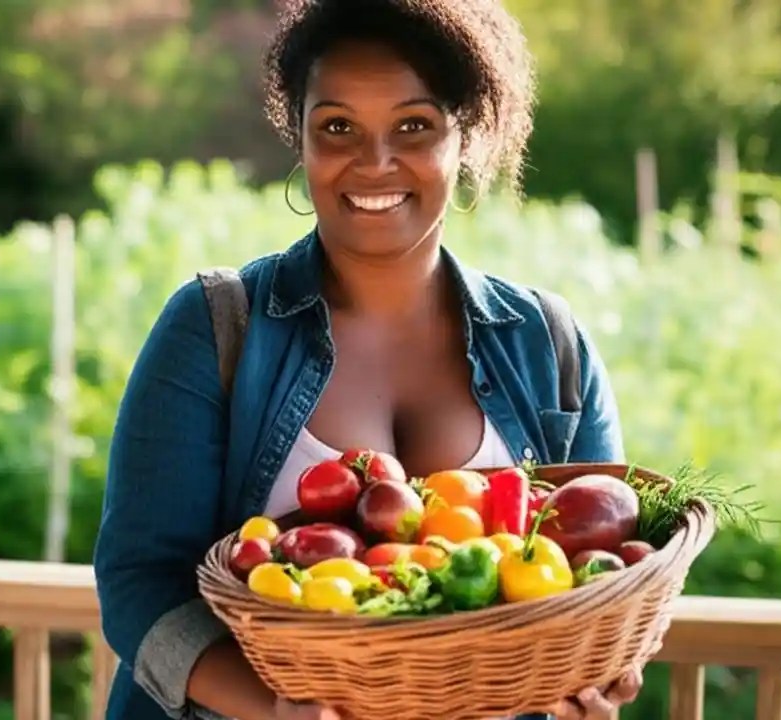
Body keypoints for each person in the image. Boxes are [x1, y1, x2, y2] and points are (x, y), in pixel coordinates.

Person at [92, 1, 644, 718]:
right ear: (301, 138)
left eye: (413, 125)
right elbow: (141, 584)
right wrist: (274, 710)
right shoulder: (216, 328)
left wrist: (601, 674)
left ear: (465, 134)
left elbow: (608, 582)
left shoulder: (550, 346)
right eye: (338, 127)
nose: (375, 160)